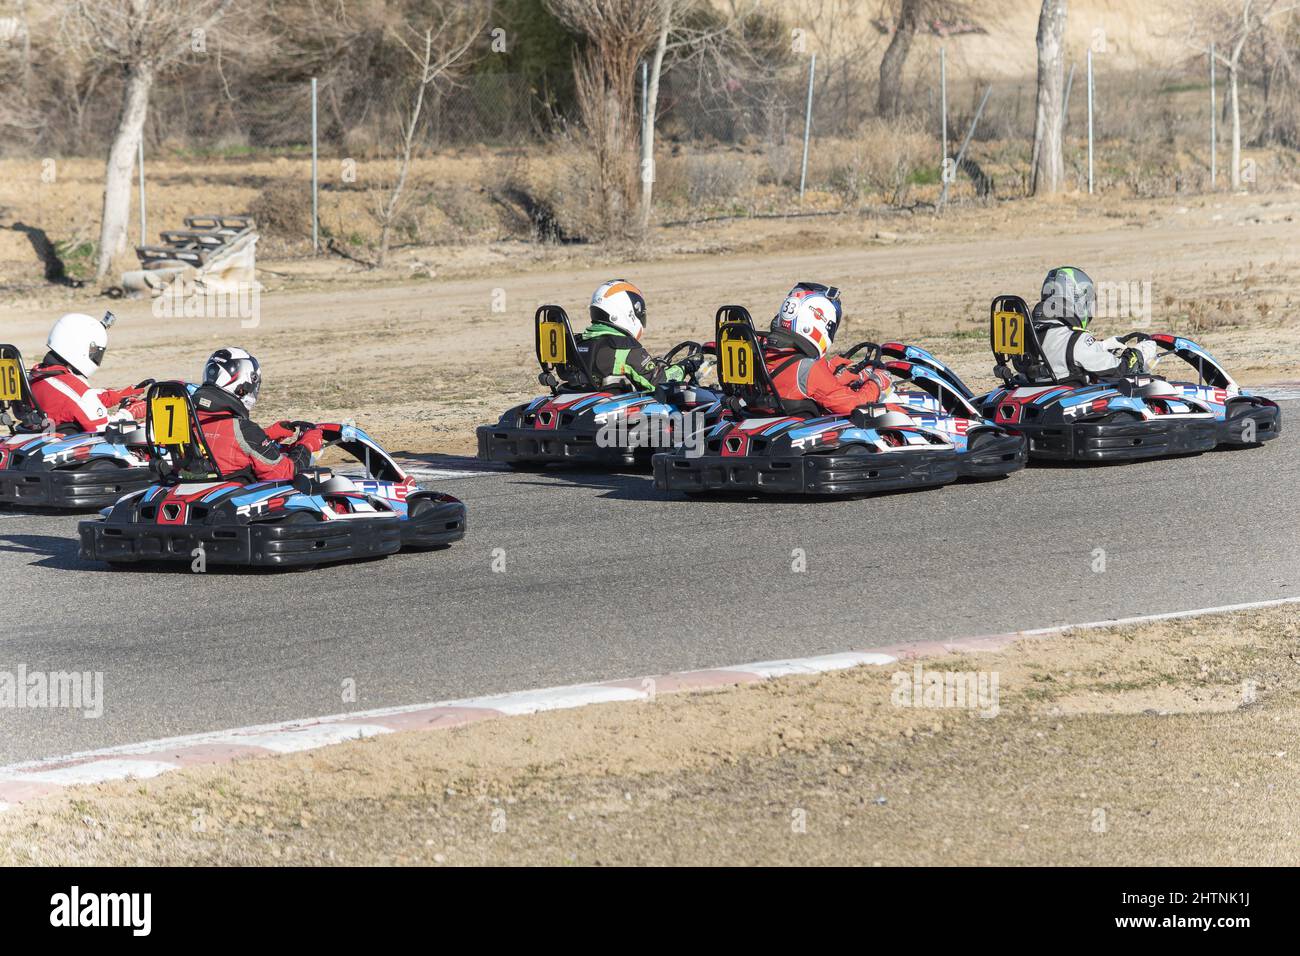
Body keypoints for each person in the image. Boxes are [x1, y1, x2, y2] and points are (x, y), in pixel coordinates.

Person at [760, 282, 892, 416]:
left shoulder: (762, 348)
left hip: (760, 415)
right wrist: (877, 381)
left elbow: (795, 377)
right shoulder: (807, 369)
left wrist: (831, 369)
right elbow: (855, 405)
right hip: (798, 427)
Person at [192, 347, 322, 481]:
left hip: (189, 488)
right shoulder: (244, 430)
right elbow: (286, 472)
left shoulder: (189, 418)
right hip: (232, 497)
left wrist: (265, 435)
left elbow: (222, 440)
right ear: (242, 386)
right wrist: (308, 444)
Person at [1030, 266, 1158, 381]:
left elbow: (1059, 352)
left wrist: (1101, 346)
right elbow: (1120, 370)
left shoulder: (1031, 333)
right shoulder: (1073, 339)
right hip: (1068, 400)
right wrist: (1140, 354)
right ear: (1077, 298)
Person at [28, 312, 148, 432]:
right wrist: (131, 412)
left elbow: (74, 398)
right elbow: (106, 429)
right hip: (72, 444)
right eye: (95, 352)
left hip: (43, 436)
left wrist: (118, 395)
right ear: (79, 347)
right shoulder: (78, 394)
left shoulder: (38, 375)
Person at [574, 279, 699, 390]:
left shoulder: (576, 343)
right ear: (625, 312)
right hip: (619, 412)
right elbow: (659, 381)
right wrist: (686, 366)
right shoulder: (625, 348)